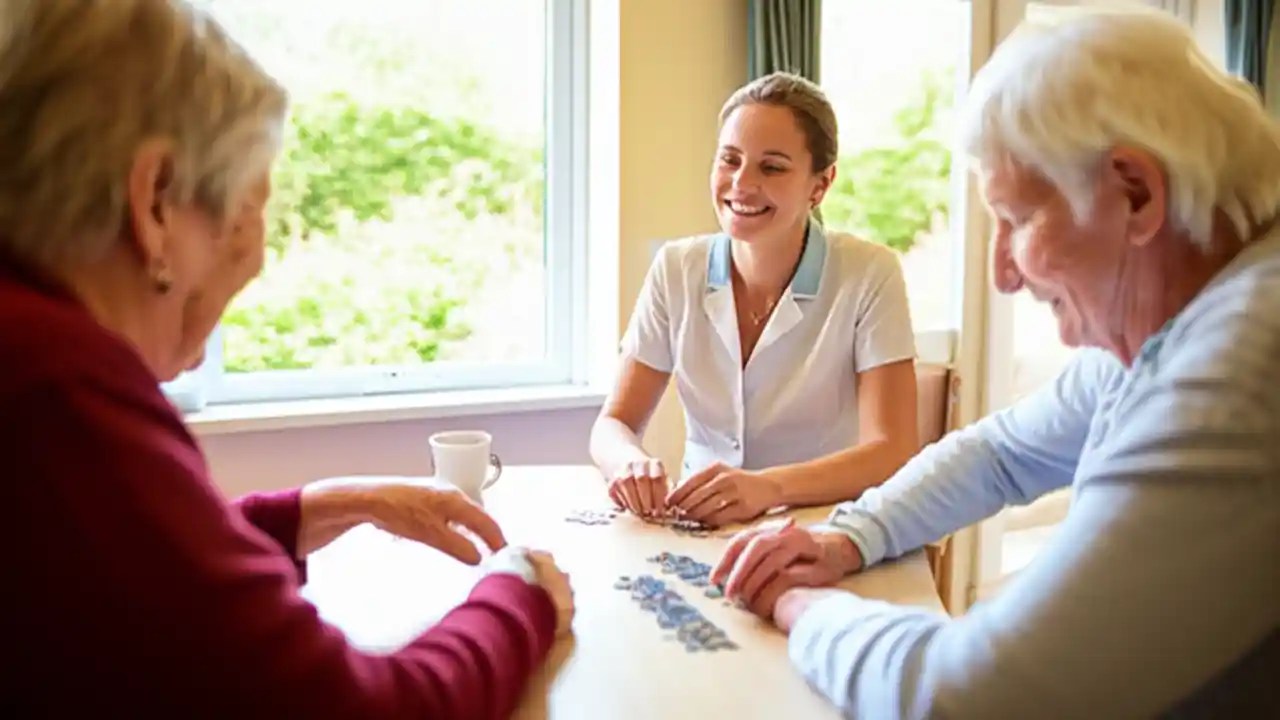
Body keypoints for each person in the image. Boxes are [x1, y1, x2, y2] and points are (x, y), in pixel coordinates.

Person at [0, 2, 572, 717]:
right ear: (154, 203)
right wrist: (517, 594)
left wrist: (328, 506)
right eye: (240, 223)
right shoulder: (55, 385)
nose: (194, 355)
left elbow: (127, 571)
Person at [711, 9, 1279, 718]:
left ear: (1136, 193)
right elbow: (1002, 453)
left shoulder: (1247, 356)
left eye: (1017, 220)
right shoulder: (1178, 322)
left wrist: (800, 604)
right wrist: (846, 538)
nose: (1003, 273)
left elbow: (972, 698)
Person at [590, 72, 920, 527]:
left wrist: (770, 488)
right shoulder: (676, 268)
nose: (741, 184)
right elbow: (613, 424)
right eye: (730, 160)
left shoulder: (869, 273)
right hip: (700, 527)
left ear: (820, 185)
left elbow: (891, 451)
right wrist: (627, 461)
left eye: (772, 167)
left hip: (822, 527)